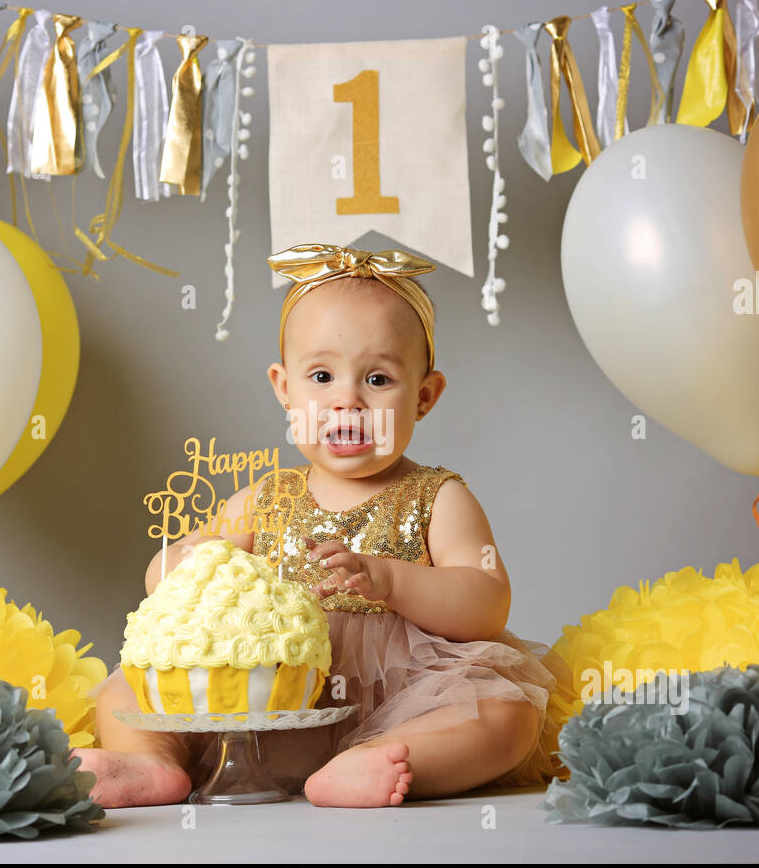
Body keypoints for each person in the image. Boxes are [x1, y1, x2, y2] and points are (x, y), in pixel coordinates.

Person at [75, 243, 561, 807]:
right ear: (285, 388)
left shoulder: (438, 496)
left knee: (506, 715)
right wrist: (188, 561)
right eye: (322, 376)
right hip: (261, 694)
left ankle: (381, 760)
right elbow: (171, 584)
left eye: (378, 380)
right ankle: (152, 763)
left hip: (397, 696)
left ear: (424, 395)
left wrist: (393, 581)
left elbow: (485, 603)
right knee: (125, 686)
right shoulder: (266, 496)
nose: (346, 401)